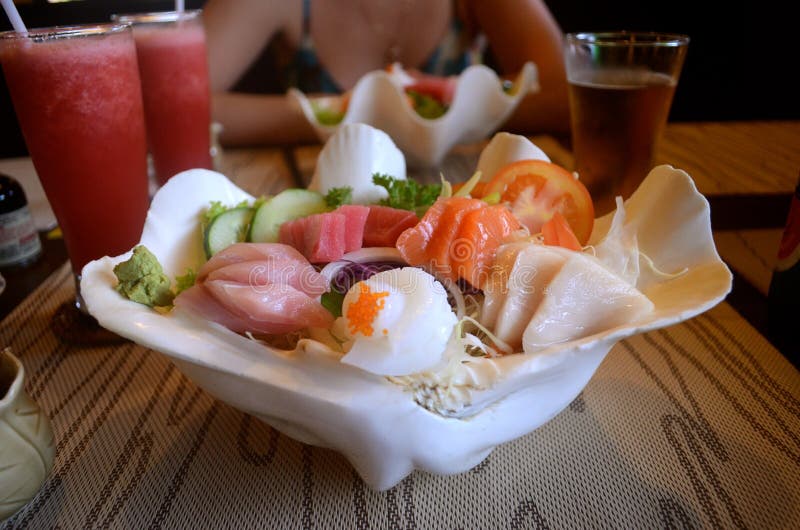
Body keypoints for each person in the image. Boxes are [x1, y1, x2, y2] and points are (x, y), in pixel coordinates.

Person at [203, 0, 569, 146]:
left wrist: (458, 99)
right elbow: (179, 105)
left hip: (469, 198)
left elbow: (566, 99)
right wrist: (342, 108)